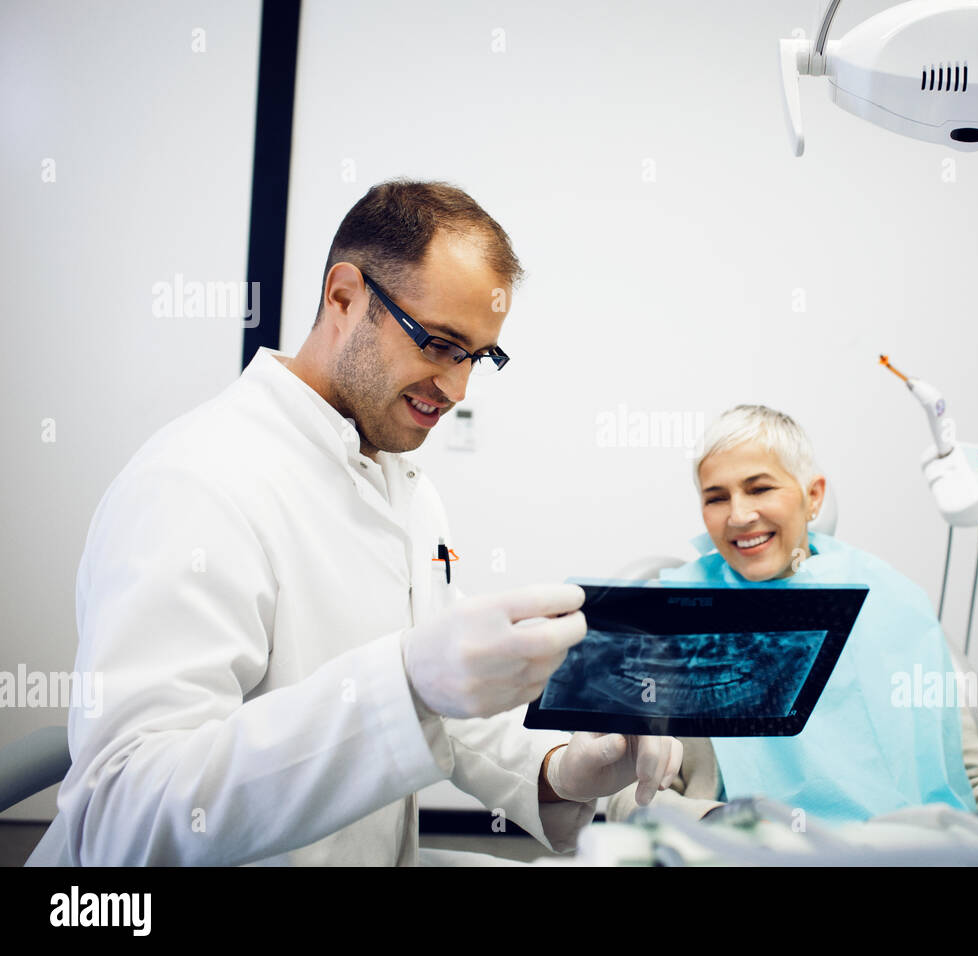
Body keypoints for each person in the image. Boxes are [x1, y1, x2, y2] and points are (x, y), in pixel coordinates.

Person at [28, 179, 681, 866]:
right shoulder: (196, 482)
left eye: (478, 357)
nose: (457, 390)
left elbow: (433, 715)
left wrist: (558, 769)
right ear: (344, 297)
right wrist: (402, 684)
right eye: (437, 343)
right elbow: (120, 820)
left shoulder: (404, 485)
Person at [607, 405, 978, 823]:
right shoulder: (669, 616)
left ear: (813, 495)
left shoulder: (889, 601)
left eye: (760, 488)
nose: (740, 515)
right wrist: (716, 822)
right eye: (717, 497)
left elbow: (971, 778)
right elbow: (625, 799)